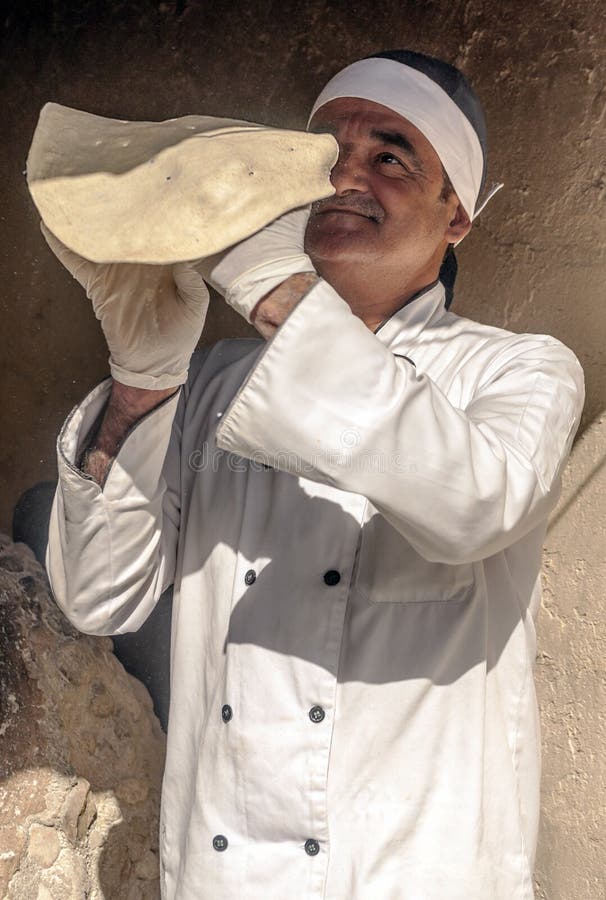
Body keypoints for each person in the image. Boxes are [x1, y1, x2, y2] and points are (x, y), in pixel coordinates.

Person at [44, 50, 584, 899]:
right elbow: (97, 597)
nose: (345, 176)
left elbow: (475, 502)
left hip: (420, 873)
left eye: (391, 155)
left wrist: (272, 284)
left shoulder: (518, 373)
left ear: (457, 217)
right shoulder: (212, 381)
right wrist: (143, 375)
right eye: (327, 152)